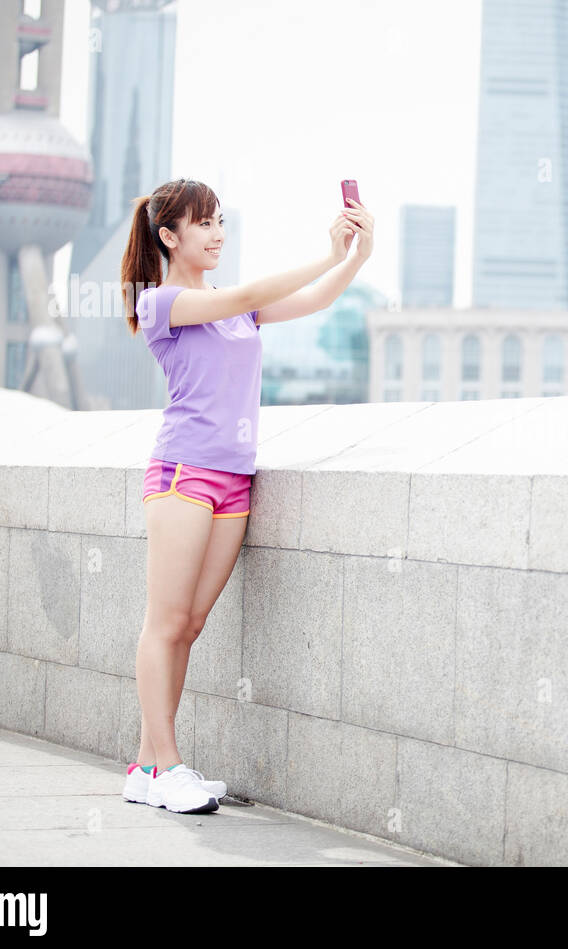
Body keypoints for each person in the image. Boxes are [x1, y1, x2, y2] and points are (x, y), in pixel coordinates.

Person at [116, 177, 374, 812]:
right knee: (166, 622)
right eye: (203, 224)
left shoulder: (232, 307)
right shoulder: (162, 303)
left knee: (193, 623)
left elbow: (310, 301)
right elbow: (257, 291)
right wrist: (328, 250)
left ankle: (150, 770)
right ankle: (163, 765)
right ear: (169, 236)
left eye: (219, 221)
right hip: (183, 474)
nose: (216, 234)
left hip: (235, 478)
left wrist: (356, 257)